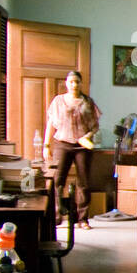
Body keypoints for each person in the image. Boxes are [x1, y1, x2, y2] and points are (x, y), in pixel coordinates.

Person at [43, 70, 101, 230]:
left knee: (84, 182)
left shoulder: (88, 102)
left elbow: (95, 126)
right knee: (57, 180)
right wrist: (46, 145)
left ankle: (82, 219)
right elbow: (50, 124)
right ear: (66, 83)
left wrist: (86, 136)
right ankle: (56, 216)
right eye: (71, 82)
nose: (74, 85)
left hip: (82, 146)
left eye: (77, 82)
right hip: (62, 143)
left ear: (81, 83)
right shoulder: (58, 101)